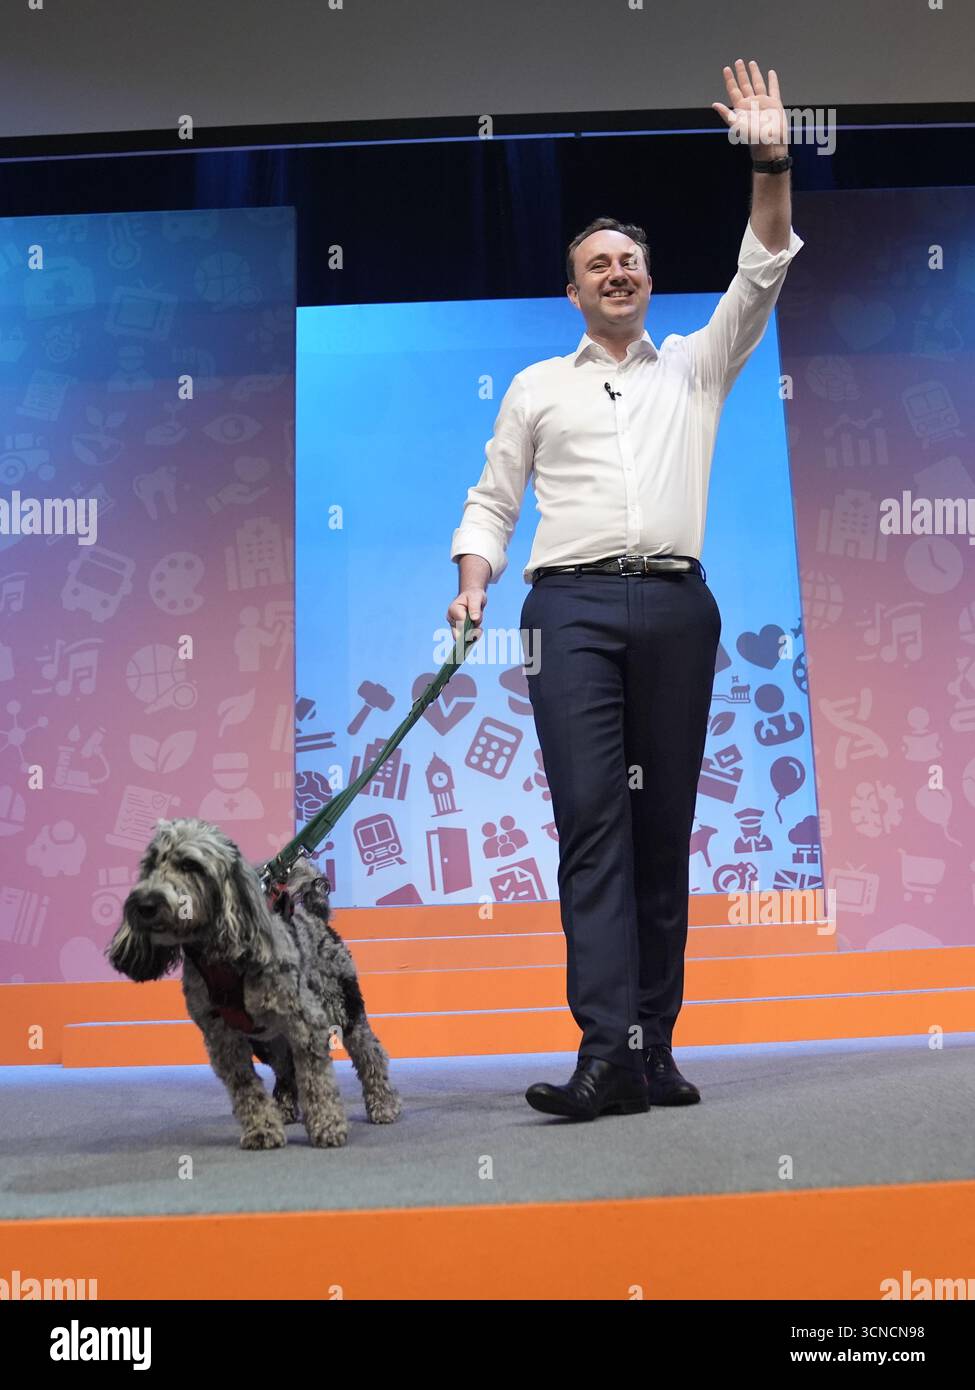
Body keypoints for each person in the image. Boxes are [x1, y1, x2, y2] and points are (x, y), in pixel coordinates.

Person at [447, 60, 804, 1121]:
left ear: (649, 281)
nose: (616, 272)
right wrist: (471, 587)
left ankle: (653, 1047)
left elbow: (766, 266)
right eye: (598, 262)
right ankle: (605, 1050)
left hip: (677, 610)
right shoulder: (536, 387)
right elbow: (491, 501)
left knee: (662, 830)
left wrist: (771, 156)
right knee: (595, 824)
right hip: (569, 613)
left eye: (631, 261)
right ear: (572, 289)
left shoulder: (696, 366)